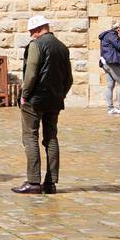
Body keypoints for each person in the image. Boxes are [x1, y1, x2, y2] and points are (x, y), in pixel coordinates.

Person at [14, 15, 73, 195]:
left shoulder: (36, 45)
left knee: (30, 137)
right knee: (51, 138)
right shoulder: (63, 47)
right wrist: (60, 95)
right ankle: (51, 182)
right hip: (54, 100)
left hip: (34, 100)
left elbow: (31, 73)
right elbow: (69, 79)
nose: (31, 35)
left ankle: (33, 182)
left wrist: (24, 95)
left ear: (39, 29)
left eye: (32, 31)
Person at [99, 21, 120, 115]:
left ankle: (110, 108)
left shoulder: (107, 35)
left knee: (110, 85)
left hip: (106, 62)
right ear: (118, 29)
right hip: (112, 62)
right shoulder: (112, 35)